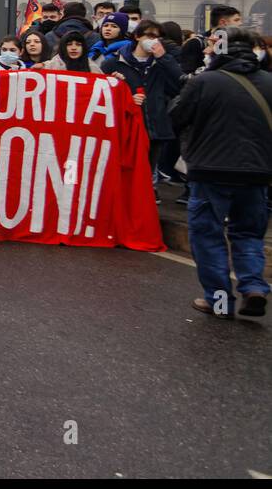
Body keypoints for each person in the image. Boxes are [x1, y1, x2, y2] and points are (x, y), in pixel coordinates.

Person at [169, 28, 271, 318]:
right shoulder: (268, 82)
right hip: (256, 173)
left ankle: (220, 301)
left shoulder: (205, 81)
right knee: (249, 232)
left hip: (210, 171)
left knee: (208, 235)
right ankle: (253, 287)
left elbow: (176, 116)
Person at [101, 19, 182, 198]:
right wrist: (125, 97)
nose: (154, 41)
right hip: (127, 128)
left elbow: (179, 85)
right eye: (150, 36)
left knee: (147, 173)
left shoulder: (161, 64)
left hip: (154, 127)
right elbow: (102, 95)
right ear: (137, 36)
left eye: (158, 38)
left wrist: (164, 59)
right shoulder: (114, 63)